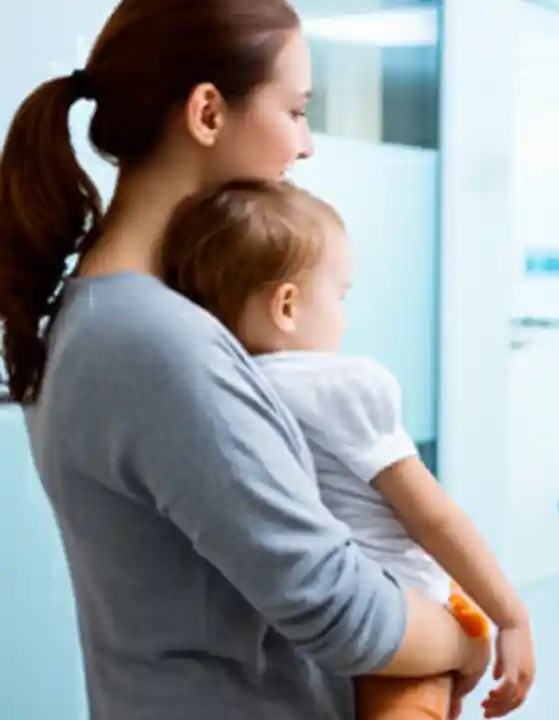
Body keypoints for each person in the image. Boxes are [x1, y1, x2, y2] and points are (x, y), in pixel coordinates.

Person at [0, 2, 487, 718]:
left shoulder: (113, 314)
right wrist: (467, 638)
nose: (307, 143)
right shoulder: (152, 342)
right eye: (295, 110)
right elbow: (339, 610)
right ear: (206, 113)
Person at [158, 178, 536, 720]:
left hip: (300, 635)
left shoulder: (220, 388)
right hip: (403, 622)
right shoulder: (340, 386)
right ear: (287, 306)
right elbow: (433, 518)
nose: (343, 312)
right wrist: (511, 617)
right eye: (340, 294)